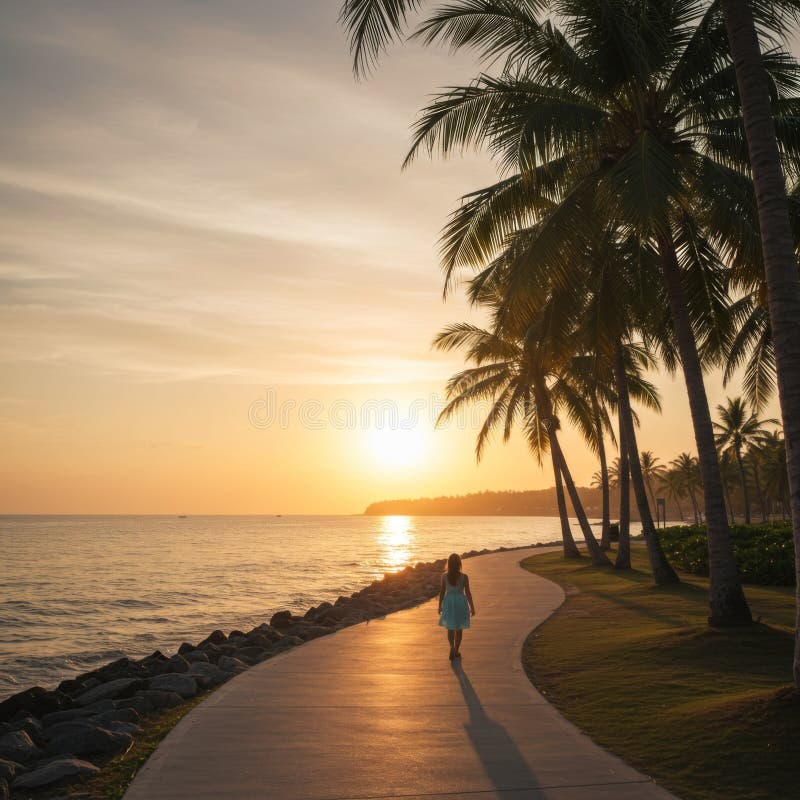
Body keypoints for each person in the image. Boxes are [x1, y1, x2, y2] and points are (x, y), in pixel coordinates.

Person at [437, 553, 476, 660]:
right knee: (459, 629)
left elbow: (442, 592)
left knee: (450, 628)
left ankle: (452, 647)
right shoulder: (464, 577)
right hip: (460, 602)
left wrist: (439, 605)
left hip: (449, 602)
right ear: (459, 564)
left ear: (449, 564)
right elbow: (468, 593)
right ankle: (456, 650)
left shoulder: (444, 576)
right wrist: (472, 607)